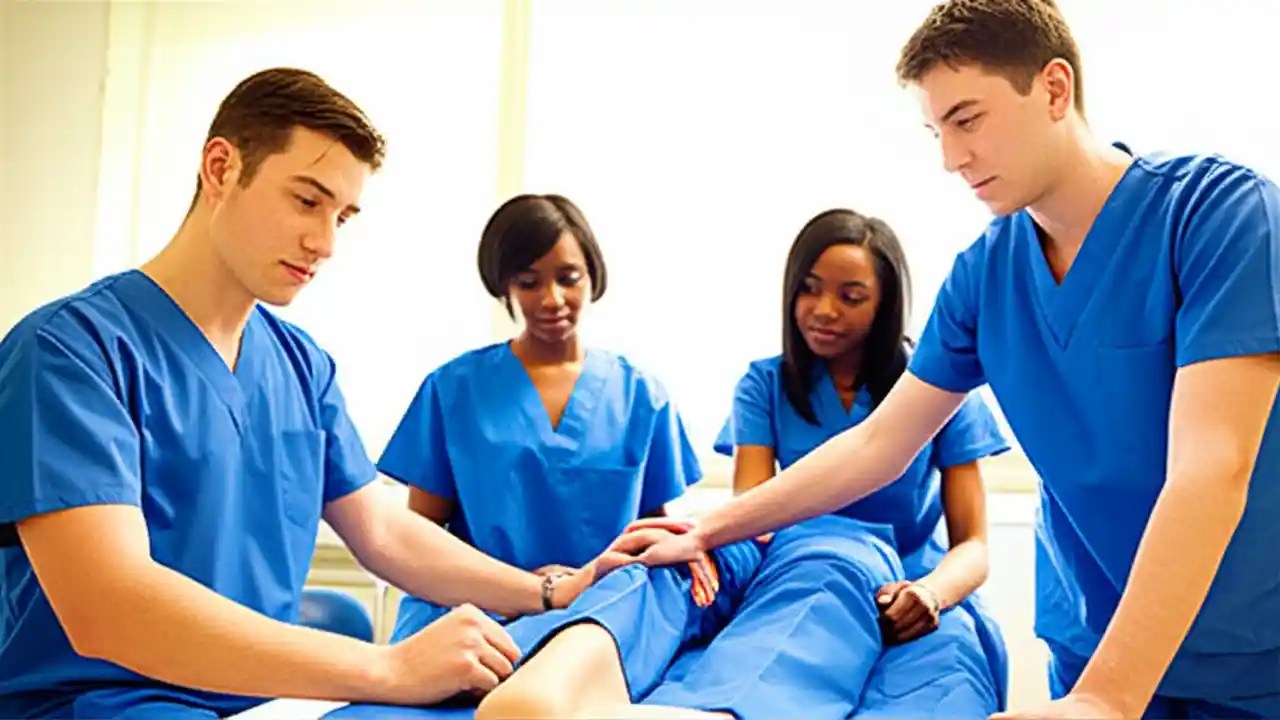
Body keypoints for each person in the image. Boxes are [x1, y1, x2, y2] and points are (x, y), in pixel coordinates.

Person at [622, 2, 1280, 718]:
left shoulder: (1219, 215)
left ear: (1054, 89)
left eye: (968, 120)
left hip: (1250, 651)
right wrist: (710, 527)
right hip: (1093, 642)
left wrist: (1110, 698)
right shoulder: (985, 276)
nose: (950, 157)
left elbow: (1211, 466)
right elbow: (878, 444)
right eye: (937, 131)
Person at [0, 68, 609, 720]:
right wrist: (389, 666)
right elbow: (108, 608)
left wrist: (549, 592)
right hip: (98, 704)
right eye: (306, 201)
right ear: (220, 168)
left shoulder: (299, 364)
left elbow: (381, 531)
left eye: (342, 216)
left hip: (255, 705)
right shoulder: (70, 352)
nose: (324, 243)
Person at [462, 208, 1009, 720]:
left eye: (851, 296)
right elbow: (754, 513)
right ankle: (566, 665)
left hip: (888, 568)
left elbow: (975, 546)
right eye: (809, 290)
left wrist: (934, 592)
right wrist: (697, 543)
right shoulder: (766, 382)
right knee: (670, 556)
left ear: (885, 304)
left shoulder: (937, 391)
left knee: (828, 559)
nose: (823, 311)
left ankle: (721, 709)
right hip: (763, 538)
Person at [378, 193, 703, 641]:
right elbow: (419, 539)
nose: (552, 299)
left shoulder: (640, 396)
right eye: (529, 282)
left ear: (593, 276)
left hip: (599, 620)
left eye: (568, 278)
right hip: (477, 619)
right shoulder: (453, 389)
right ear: (504, 286)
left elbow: (655, 537)